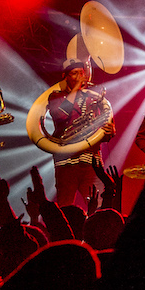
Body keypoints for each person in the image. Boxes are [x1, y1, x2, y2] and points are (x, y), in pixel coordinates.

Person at [47, 58, 116, 208]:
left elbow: (105, 123)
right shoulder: (56, 96)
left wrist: (110, 132)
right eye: (74, 73)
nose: (79, 77)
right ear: (66, 76)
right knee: (65, 208)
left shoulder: (94, 99)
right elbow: (61, 115)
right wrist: (75, 90)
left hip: (91, 161)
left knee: (98, 207)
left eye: (81, 73)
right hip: (66, 162)